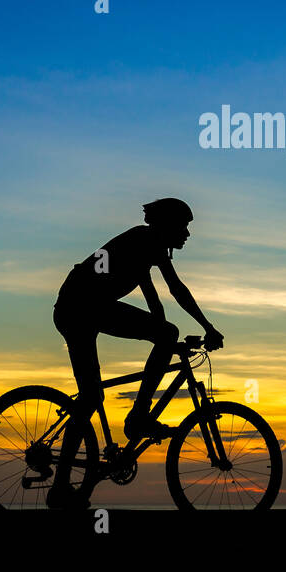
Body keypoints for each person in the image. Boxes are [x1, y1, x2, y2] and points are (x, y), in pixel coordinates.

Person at [47, 198, 222, 508]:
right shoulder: (146, 241)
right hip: (80, 308)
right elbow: (176, 289)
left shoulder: (145, 245)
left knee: (163, 336)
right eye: (183, 227)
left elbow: (156, 304)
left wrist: (169, 343)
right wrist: (207, 327)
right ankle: (134, 420)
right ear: (167, 225)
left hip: (87, 307)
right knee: (90, 398)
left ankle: (136, 417)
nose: (187, 234)